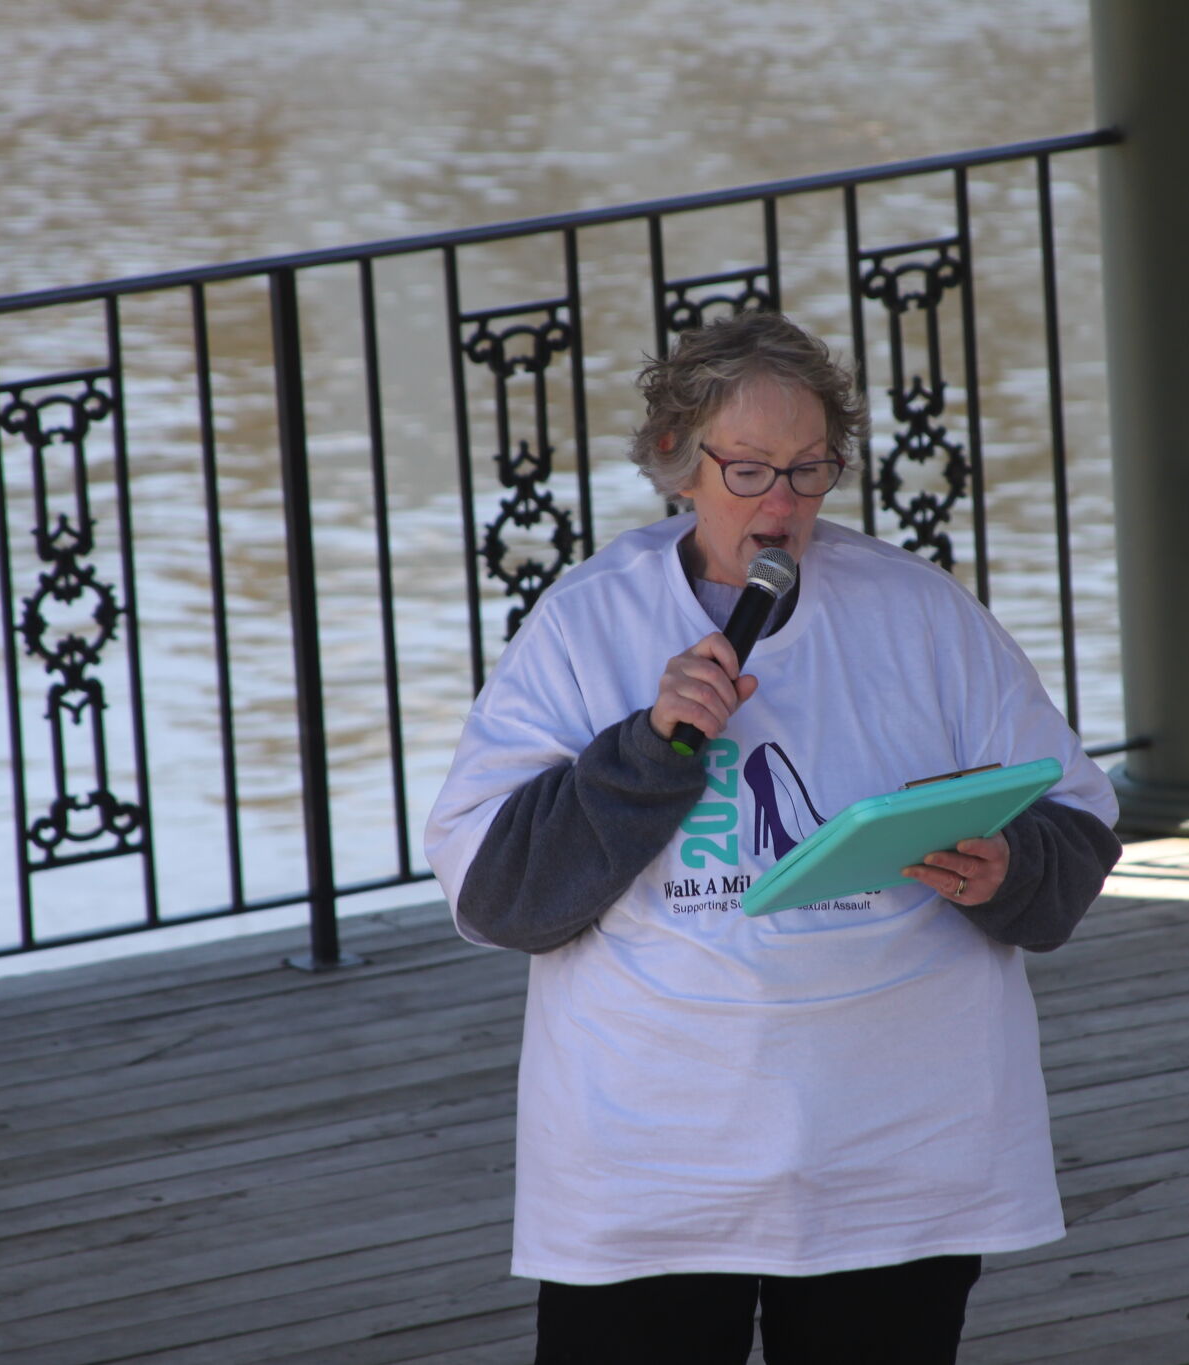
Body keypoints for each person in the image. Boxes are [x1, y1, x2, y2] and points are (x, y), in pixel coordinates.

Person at [425, 311, 1120, 1365]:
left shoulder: (921, 614)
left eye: (809, 469)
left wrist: (1009, 865)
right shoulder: (585, 624)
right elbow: (495, 894)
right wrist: (646, 753)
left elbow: (1074, 829)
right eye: (747, 470)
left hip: (895, 1145)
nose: (782, 505)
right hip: (658, 1155)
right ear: (674, 463)